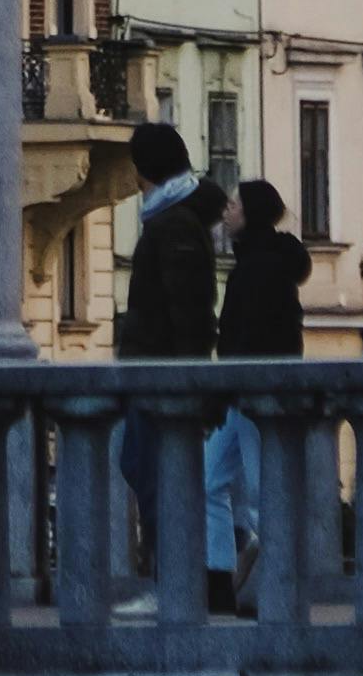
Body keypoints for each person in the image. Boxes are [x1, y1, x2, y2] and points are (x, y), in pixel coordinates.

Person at [111, 121, 218, 579]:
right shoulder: (174, 217)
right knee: (148, 471)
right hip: (158, 372)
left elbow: (188, 310)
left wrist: (191, 382)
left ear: (145, 169)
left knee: (153, 476)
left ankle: (171, 582)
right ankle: (174, 576)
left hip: (160, 376)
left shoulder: (172, 224)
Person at [205, 176, 310, 609]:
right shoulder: (262, 261)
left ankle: (277, 590)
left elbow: (251, 335)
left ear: (250, 215)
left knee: (262, 495)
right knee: (208, 480)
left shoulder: (259, 267)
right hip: (241, 393)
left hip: (254, 394)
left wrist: (236, 384)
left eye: (234, 205)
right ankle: (218, 581)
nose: (227, 211)